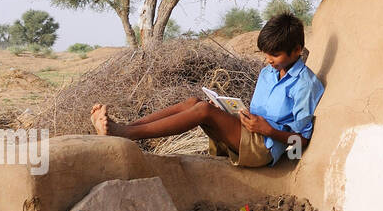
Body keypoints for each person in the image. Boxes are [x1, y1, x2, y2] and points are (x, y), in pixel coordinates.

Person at [90, 13, 325, 168]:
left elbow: (301, 140)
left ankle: (125, 134)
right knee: (194, 102)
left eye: (274, 55)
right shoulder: (268, 73)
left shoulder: (305, 84)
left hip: (264, 147)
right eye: (265, 54)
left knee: (203, 110)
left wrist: (270, 135)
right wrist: (230, 112)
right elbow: (255, 111)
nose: (268, 60)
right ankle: (126, 128)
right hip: (249, 132)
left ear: (296, 50)